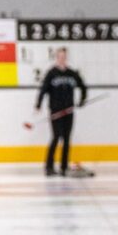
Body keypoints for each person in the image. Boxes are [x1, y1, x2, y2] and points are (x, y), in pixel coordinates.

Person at [33, 48, 87, 178]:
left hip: (69, 111)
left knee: (67, 139)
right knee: (56, 137)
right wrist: (38, 104)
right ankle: (49, 167)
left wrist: (82, 100)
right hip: (55, 111)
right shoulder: (51, 73)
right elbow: (43, 90)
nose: (62, 59)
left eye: (64, 56)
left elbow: (83, 87)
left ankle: (64, 167)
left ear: (66, 58)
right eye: (60, 56)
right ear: (56, 58)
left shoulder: (71, 73)